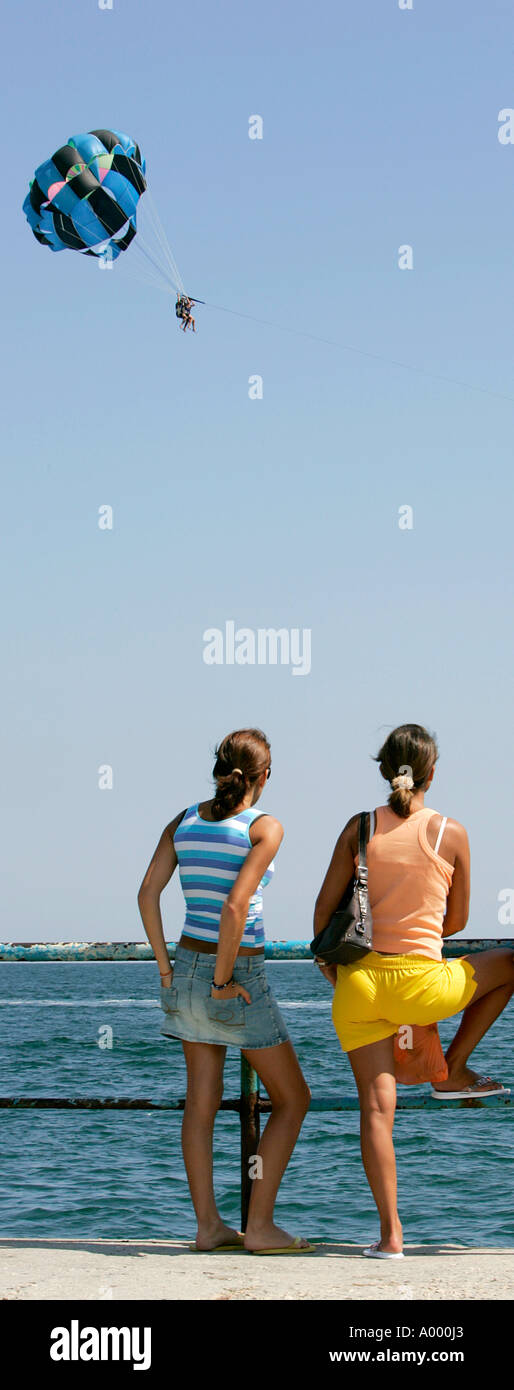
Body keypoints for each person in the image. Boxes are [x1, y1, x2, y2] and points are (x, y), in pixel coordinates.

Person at [313, 723, 514, 1259]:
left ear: (384, 769)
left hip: (357, 989)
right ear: (432, 773)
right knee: (511, 965)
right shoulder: (451, 831)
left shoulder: (356, 829)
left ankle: (390, 1238)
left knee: (377, 1111)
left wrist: (336, 973)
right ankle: (455, 1069)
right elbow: (460, 918)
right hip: (422, 985)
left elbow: (322, 918)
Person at [137, 728, 312, 1254]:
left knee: (202, 1102)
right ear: (264, 777)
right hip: (236, 976)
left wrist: (168, 973)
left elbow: (147, 893)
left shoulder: (184, 820)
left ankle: (209, 1226)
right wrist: (222, 982)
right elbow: (236, 907)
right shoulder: (265, 827)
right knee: (293, 1099)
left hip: (186, 966)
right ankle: (259, 1227)